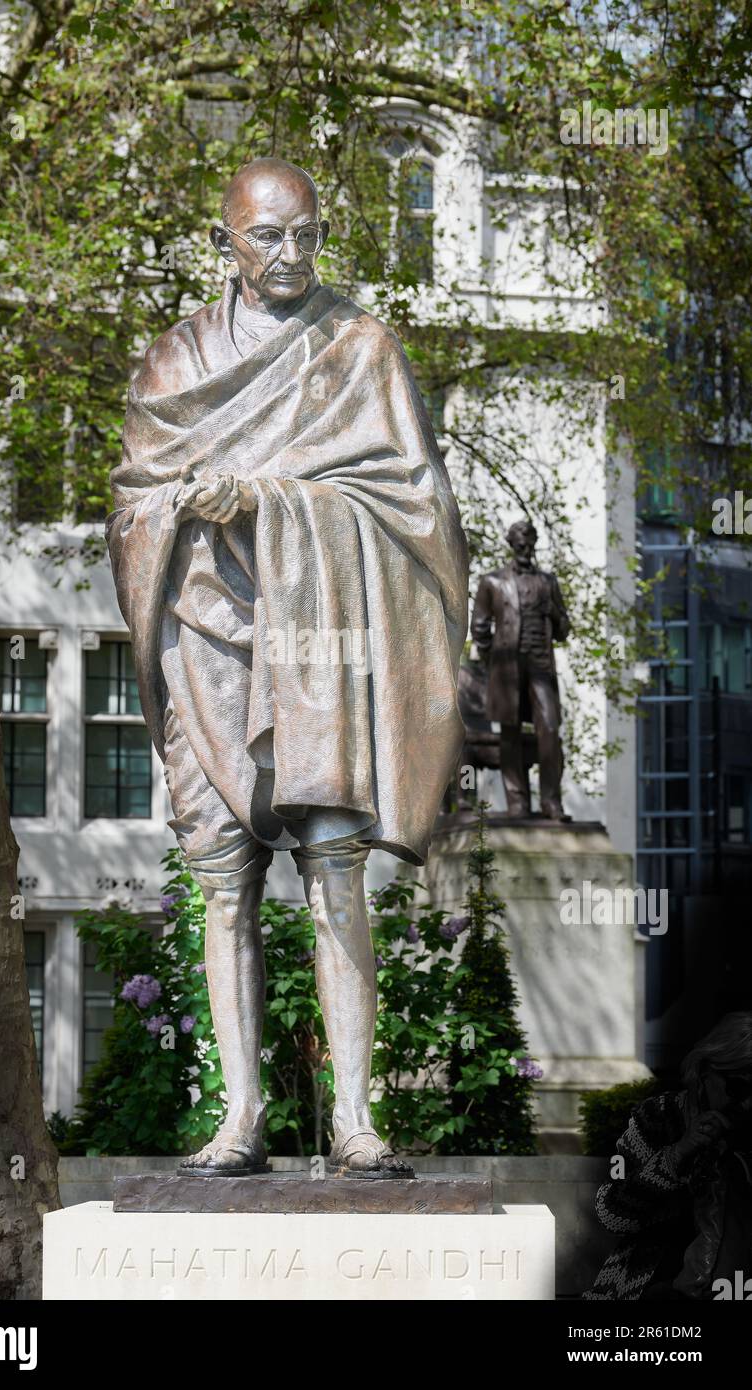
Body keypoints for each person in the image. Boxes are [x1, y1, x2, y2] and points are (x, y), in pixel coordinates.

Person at [106, 158, 468, 1175]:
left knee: (334, 872)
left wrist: (265, 500)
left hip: (322, 646)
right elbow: (131, 504)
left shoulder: (359, 347)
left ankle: (354, 1116)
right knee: (225, 885)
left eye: (307, 233)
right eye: (267, 236)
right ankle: (240, 1113)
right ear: (223, 240)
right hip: (209, 641)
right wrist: (180, 507)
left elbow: (417, 508)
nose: (291, 254)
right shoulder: (174, 363)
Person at [584, 1012, 752, 1299]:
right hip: (656, 1285)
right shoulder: (658, 1118)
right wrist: (676, 1155)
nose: (748, 1103)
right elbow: (612, 1216)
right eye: (738, 1087)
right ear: (705, 1071)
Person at [470, 518, 570, 819]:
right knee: (510, 733)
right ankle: (517, 802)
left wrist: (552, 611)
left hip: (541, 666)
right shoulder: (492, 582)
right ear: (511, 544)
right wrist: (491, 660)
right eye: (520, 542)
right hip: (507, 665)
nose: (526, 547)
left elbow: (564, 629)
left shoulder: (549, 582)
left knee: (550, 729)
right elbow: (479, 626)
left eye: (530, 542)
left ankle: (551, 801)